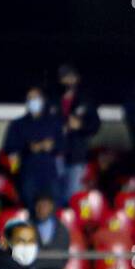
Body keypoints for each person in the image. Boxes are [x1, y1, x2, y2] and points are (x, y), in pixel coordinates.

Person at [2, 87, 62, 211]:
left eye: (36, 98)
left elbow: (63, 146)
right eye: (30, 98)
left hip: (49, 174)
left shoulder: (54, 122)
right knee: (29, 208)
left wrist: (52, 146)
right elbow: (8, 147)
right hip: (28, 174)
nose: (33, 101)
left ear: (43, 100)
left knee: (52, 209)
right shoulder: (18, 124)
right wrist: (28, 148)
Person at [54, 65, 100, 203]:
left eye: (71, 77)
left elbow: (95, 125)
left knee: (73, 196)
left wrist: (80, 125)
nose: (68, 81)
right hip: (54, 154)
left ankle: (70, 223)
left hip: (76, 155)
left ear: (77, 79)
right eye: (64, 77)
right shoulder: (51, 100)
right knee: (55, 196)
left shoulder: (85, 100)